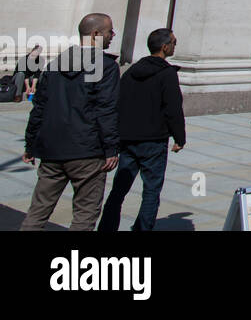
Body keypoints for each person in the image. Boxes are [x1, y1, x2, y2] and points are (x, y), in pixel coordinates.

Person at [20, 13, 121, 231]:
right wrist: (111, 148)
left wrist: (30, 144)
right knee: (85, 215)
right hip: (87, 151)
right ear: (95, 34)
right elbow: (106, 109)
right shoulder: (106, 66)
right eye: (109, 31)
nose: (112, 35)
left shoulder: (56, 63)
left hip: (52, 147)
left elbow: (39, 107)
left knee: (38, 211)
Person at [98, 27, 185, 232]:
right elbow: (173, 108)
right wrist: (179, 137)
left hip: (128, 138)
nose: (175, 45)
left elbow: (118, 102)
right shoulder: (167, 74)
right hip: (153, 141)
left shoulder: (132, 71)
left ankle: (106, 228)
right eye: (173, 42)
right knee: (151, 192)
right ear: (164, 47)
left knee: (118, 190)